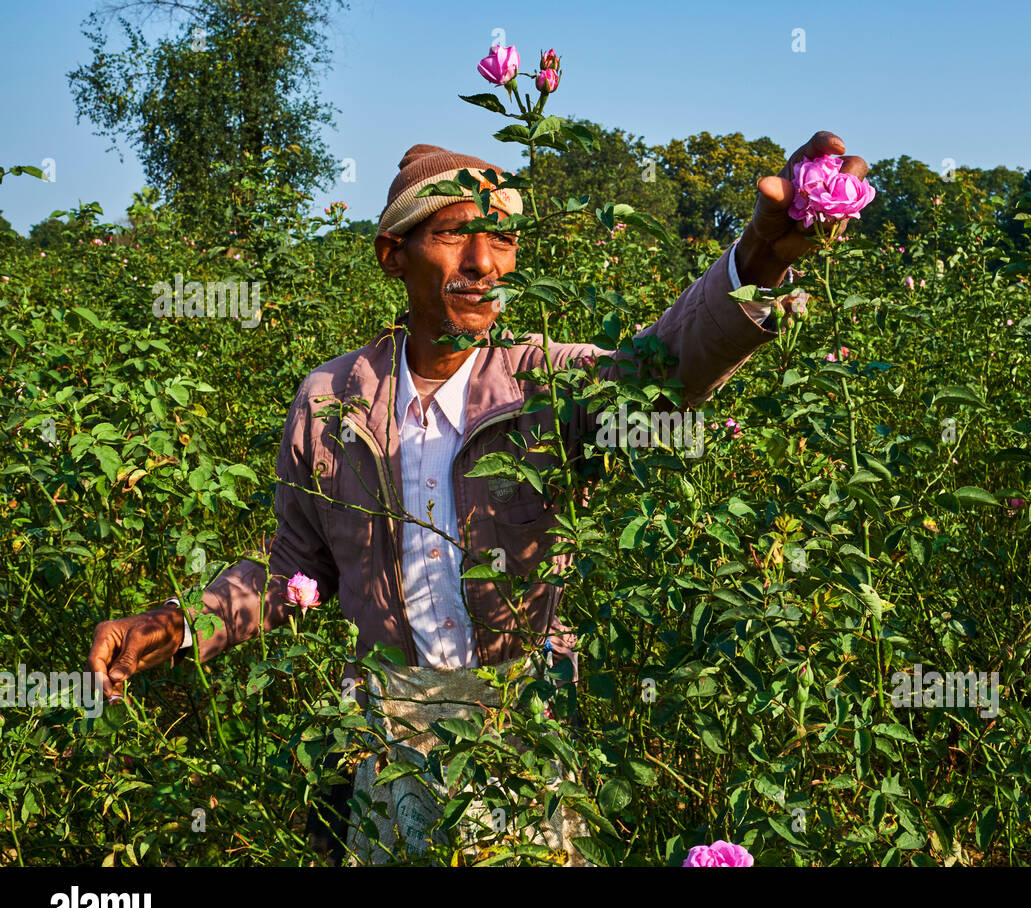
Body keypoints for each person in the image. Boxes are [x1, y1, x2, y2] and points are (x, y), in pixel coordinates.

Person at [88, 131, 868, 864]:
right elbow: (297, 563)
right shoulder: (333, 397)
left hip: (523, 715)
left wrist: (756, 262)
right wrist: (181, 624)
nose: (484, 262)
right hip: (390, 725)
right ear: (392, 254)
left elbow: (663, 377)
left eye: (501, 239)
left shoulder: (544, 381)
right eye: (456, 234)